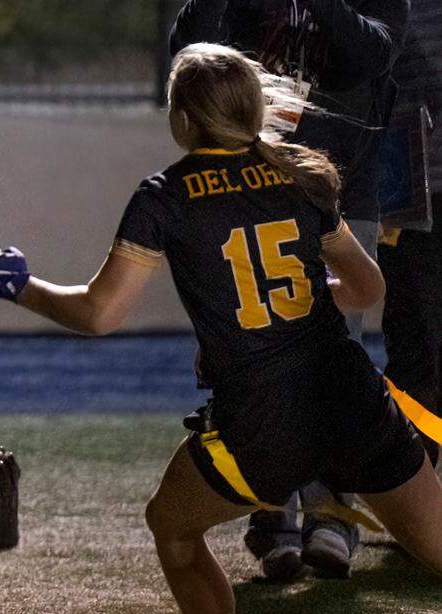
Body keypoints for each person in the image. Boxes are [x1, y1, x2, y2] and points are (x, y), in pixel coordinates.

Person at [0, 43, 442, 614]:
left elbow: (100, 313)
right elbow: (367, 287)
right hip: (348, 394)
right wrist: (303, 304)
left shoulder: (165, 196)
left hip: (264, 414)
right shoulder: (302, 175)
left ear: (182, 118)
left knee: (172, 527)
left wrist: (23, 288)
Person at [169, 0, 409, 581]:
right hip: (246, 183)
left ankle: (332, 518)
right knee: (251, 350)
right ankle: (273, 517)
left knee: (334, 356)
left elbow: (374, 53)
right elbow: (188, 51)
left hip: (341, 187)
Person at [379, 3, 442, 468]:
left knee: (416, 340)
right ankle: (412, 474)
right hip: (409, 189)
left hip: (409, 185)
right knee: (415, 341)